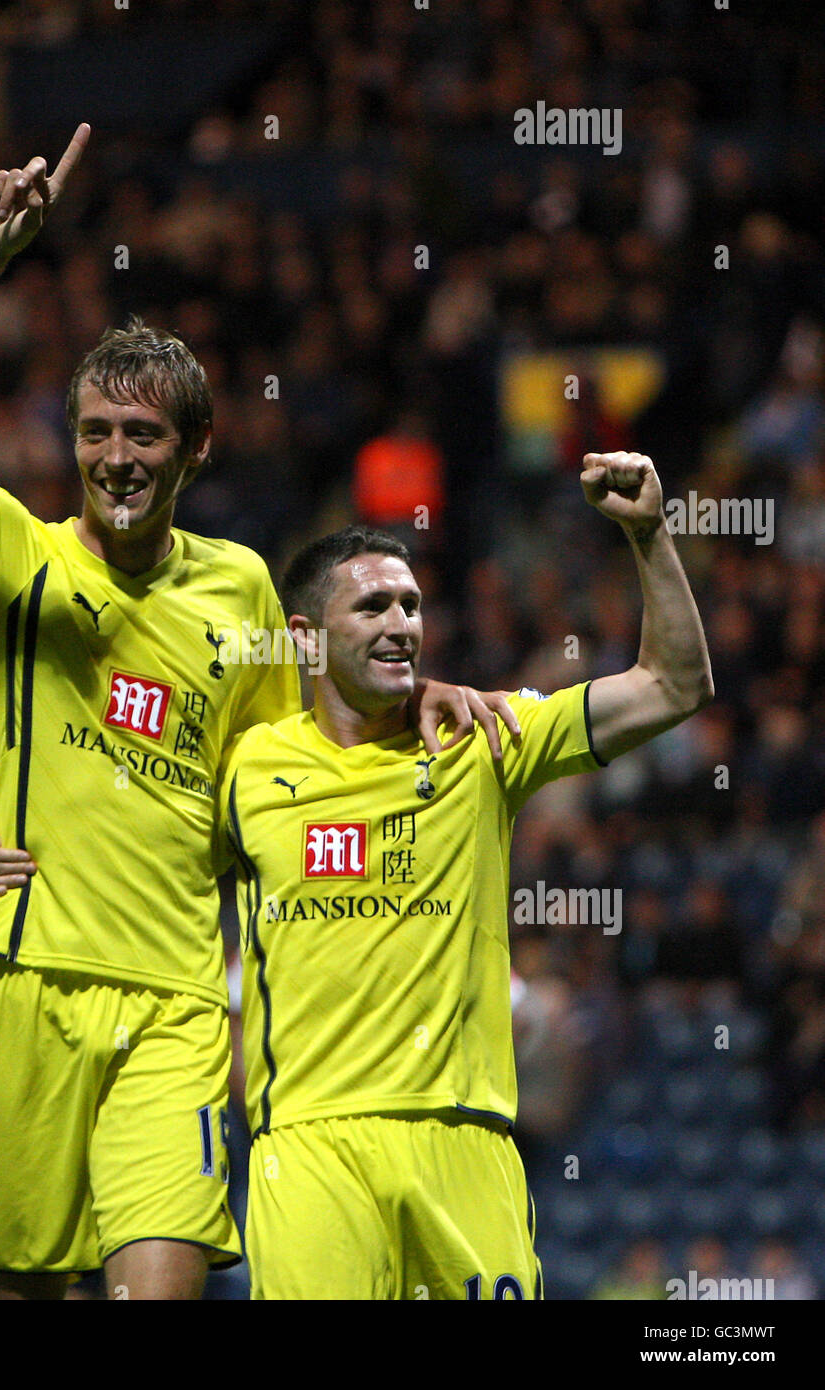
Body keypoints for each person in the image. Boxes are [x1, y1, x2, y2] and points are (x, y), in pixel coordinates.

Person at [0, 126, 509, 1300]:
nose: (115, 457)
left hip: (177, 1007)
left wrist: (411, 695)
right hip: (18, 983)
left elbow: (282, 763)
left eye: (142, 434)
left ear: (192, 447)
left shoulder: (242, 588)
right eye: (96, 431)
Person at [215, 452, 711, 1299]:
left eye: (410, 605)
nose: (401, 622)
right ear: (302, 636)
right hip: (308, 1145)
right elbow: (131, 851)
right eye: (371, 605)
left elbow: (673, 685)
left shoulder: (481, 738)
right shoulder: (245, 768)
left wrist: (647, 533)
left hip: (466, 1141)